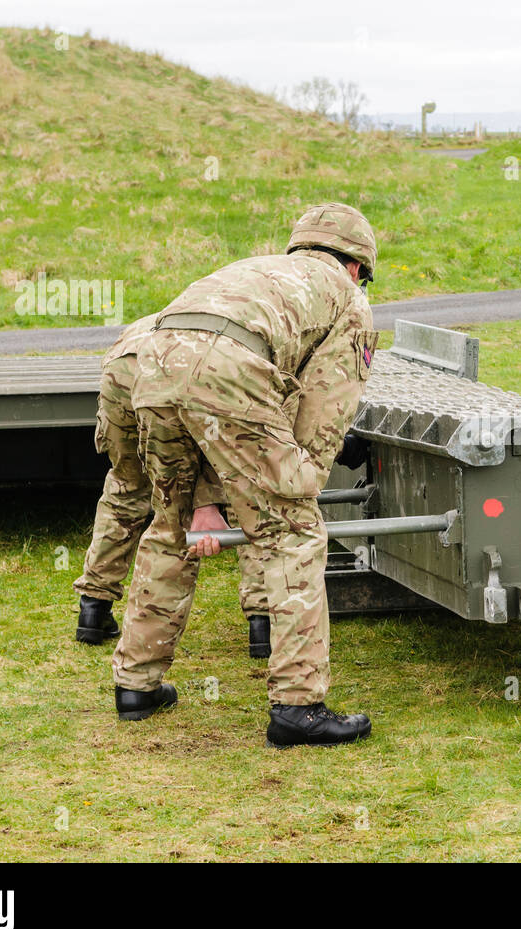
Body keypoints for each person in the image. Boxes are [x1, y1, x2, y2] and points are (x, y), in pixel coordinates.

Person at [110, 202, 379, 748]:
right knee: (293, 531)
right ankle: (298, 708)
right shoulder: (347, 298)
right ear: (357, 267)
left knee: (171, 522)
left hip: (154, 363)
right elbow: (329, 406)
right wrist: (300, 479)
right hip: (228, 370)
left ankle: (136, 685)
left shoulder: (256, 271)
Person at [72, 314, 273, 659]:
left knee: (125, 487)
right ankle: (263, 622)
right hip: (174, 373)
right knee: (248, 491)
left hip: (123, 367)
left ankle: (94, 607)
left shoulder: (191, 313)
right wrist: (207, 501)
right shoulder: (251, 334)